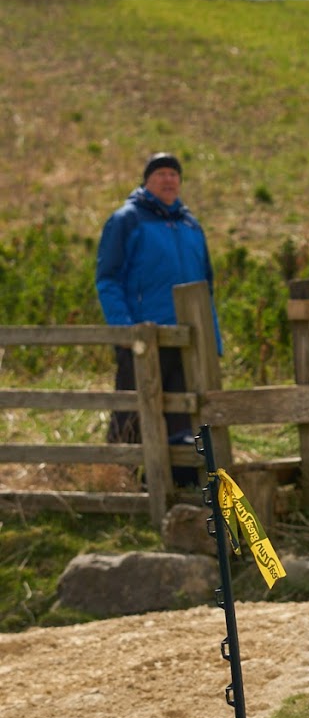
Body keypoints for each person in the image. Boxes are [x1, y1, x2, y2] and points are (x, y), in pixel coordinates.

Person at [96, 152, 222, 485]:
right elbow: (108, 279)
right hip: (145, 338)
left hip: (190, 338)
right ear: (147, 180)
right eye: (161, 173)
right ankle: (120, 481)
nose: (169, 179)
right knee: (133, 410)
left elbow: (206, 286)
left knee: (183, 414)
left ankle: (178, 481)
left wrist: (213, 341)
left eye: (174, 174)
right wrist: (125, 332)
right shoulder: (127, 220)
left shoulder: (190, 225)